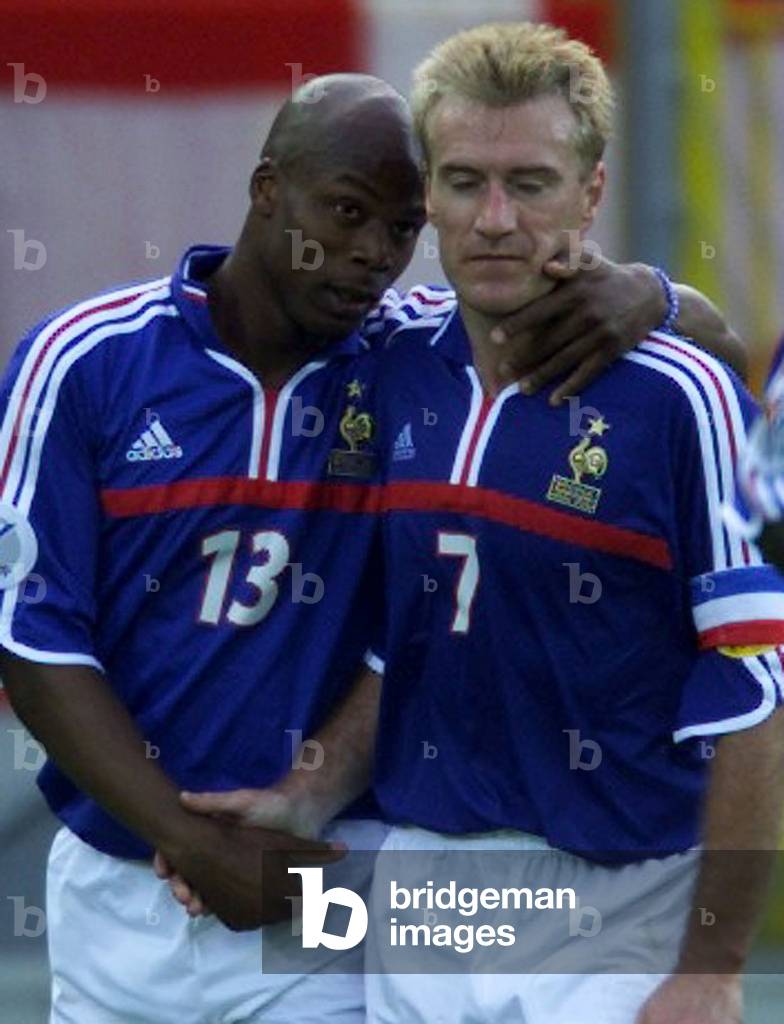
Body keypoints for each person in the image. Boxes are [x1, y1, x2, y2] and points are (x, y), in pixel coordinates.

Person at [0, 67, 751, 1024]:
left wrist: (650, 292)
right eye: (345, 213)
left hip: (333, 877)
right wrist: (191, 844)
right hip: (119, 878)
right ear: (269, 188)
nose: (368, 256)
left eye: (399, 231)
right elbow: (35, 641)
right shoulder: (85, 362)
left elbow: (715, 356)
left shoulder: (412, 355)